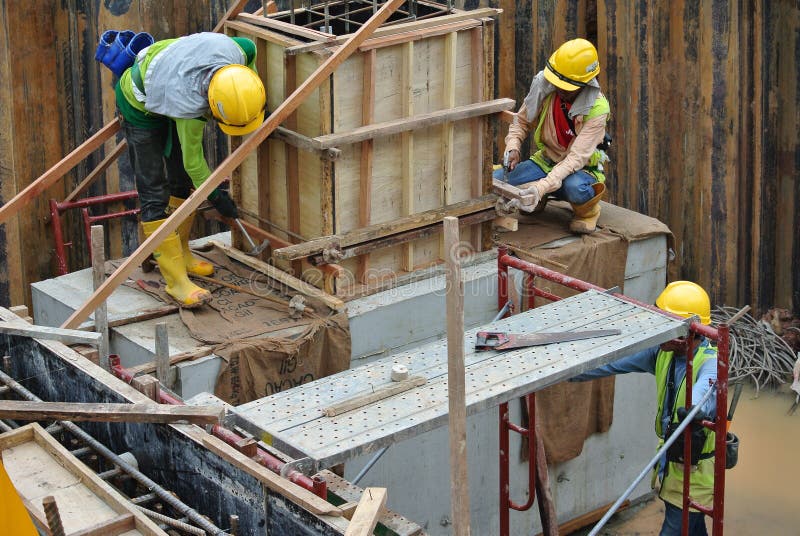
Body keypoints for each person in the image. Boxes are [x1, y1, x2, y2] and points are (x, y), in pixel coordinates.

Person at [115, 32, 266, 307]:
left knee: (180, 184)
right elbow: (193, 162)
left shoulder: (240, 52)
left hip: (170, 72)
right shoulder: (189, 108)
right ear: (209, 105)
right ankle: (176, 283)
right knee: (154, 191)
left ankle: (182, 253)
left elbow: (251, 50)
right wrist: (218, 197)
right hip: (140, 105)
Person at [572, 281, 718, 536]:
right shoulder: (662, 352)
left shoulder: (711, 364)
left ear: (689, 333)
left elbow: (705, 391)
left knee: (677, 528)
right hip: (672, 461)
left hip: (695, 473)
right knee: (693, 530)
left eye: (667, 326)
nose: (658, 331)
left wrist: (693, 408)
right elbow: (610, 364)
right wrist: (563, 371)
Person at [495, 38, 610, 233]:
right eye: (558, 82)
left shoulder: (597, 109)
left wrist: (539, 188)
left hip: (580, 170)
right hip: (546, 162)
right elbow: (522, 121)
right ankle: (542, 196)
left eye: (567, 86)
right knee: (496, 180)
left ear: (583, 83)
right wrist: (513, 147)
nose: (560, 89)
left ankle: (588, 212)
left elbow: (575, 159)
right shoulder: (545, 86)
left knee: (576, 189)